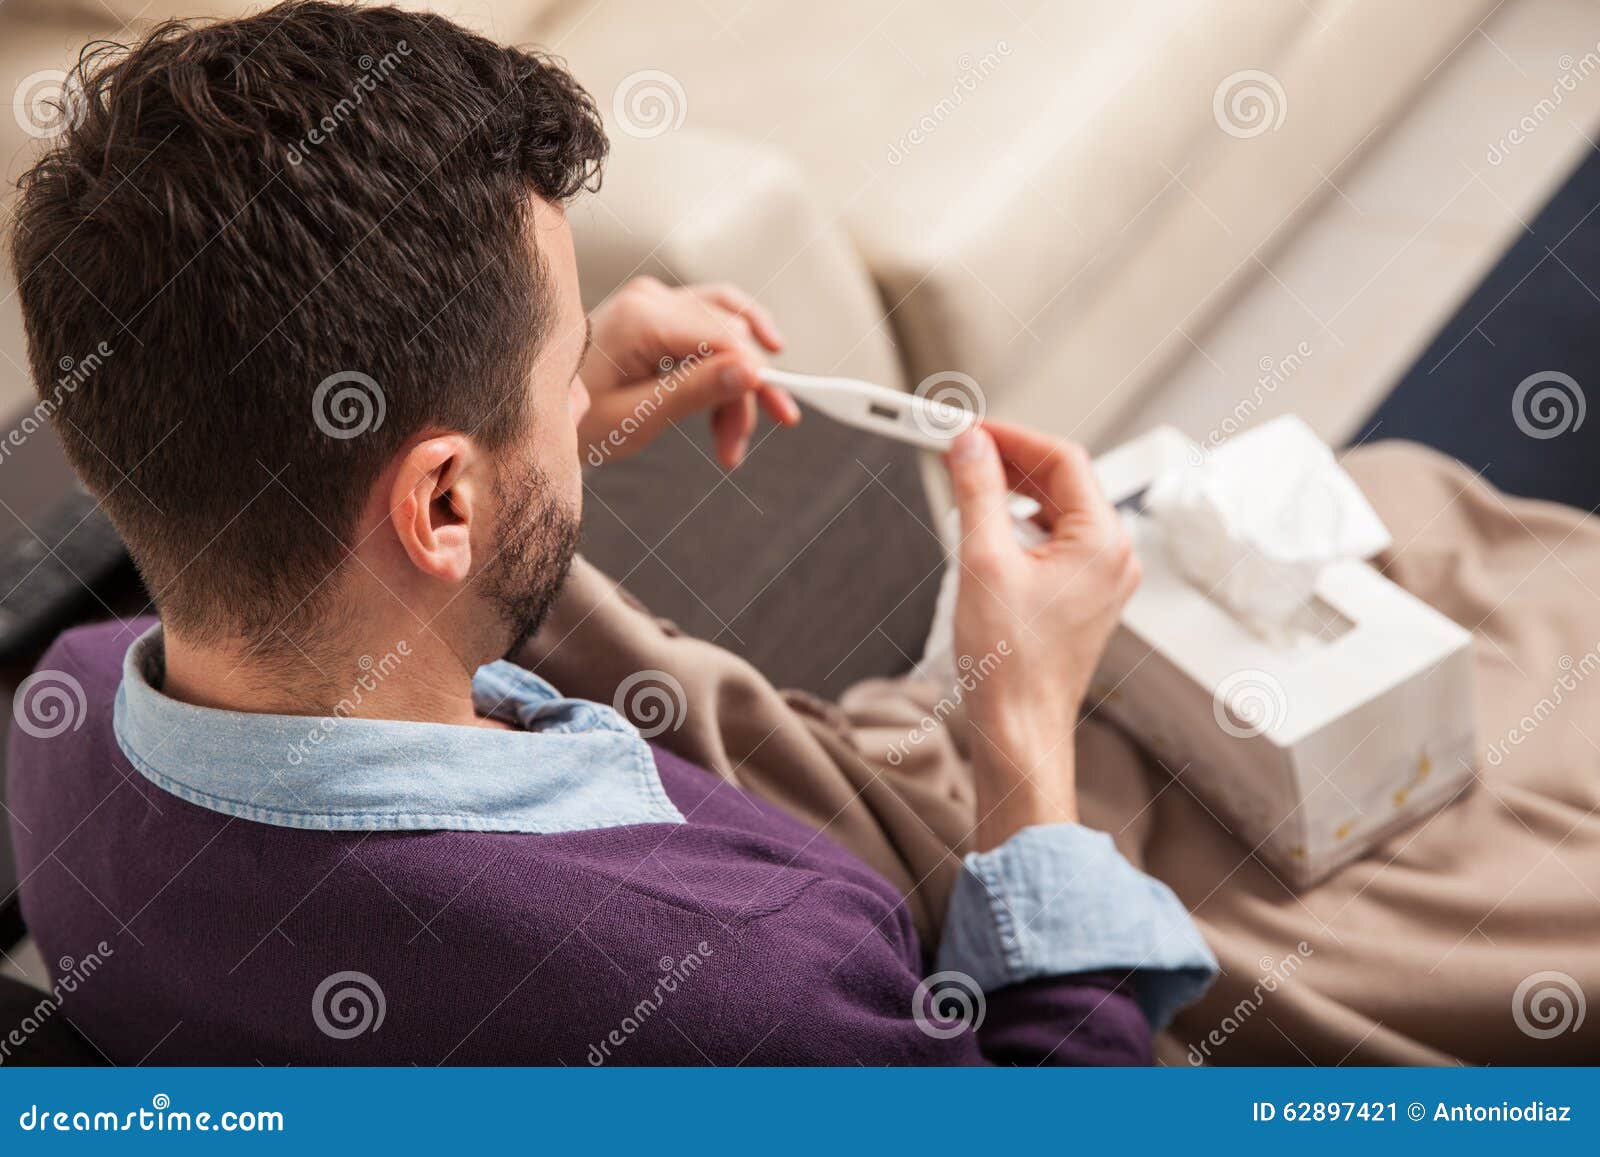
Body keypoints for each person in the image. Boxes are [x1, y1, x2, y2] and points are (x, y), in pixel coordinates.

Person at [5, 1, 1214, 1064]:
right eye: (568, 366)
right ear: (439, 506)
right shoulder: (752, 989)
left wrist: (536, 437)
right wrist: (1022, 732)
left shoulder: (64, 714)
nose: (584, 386)